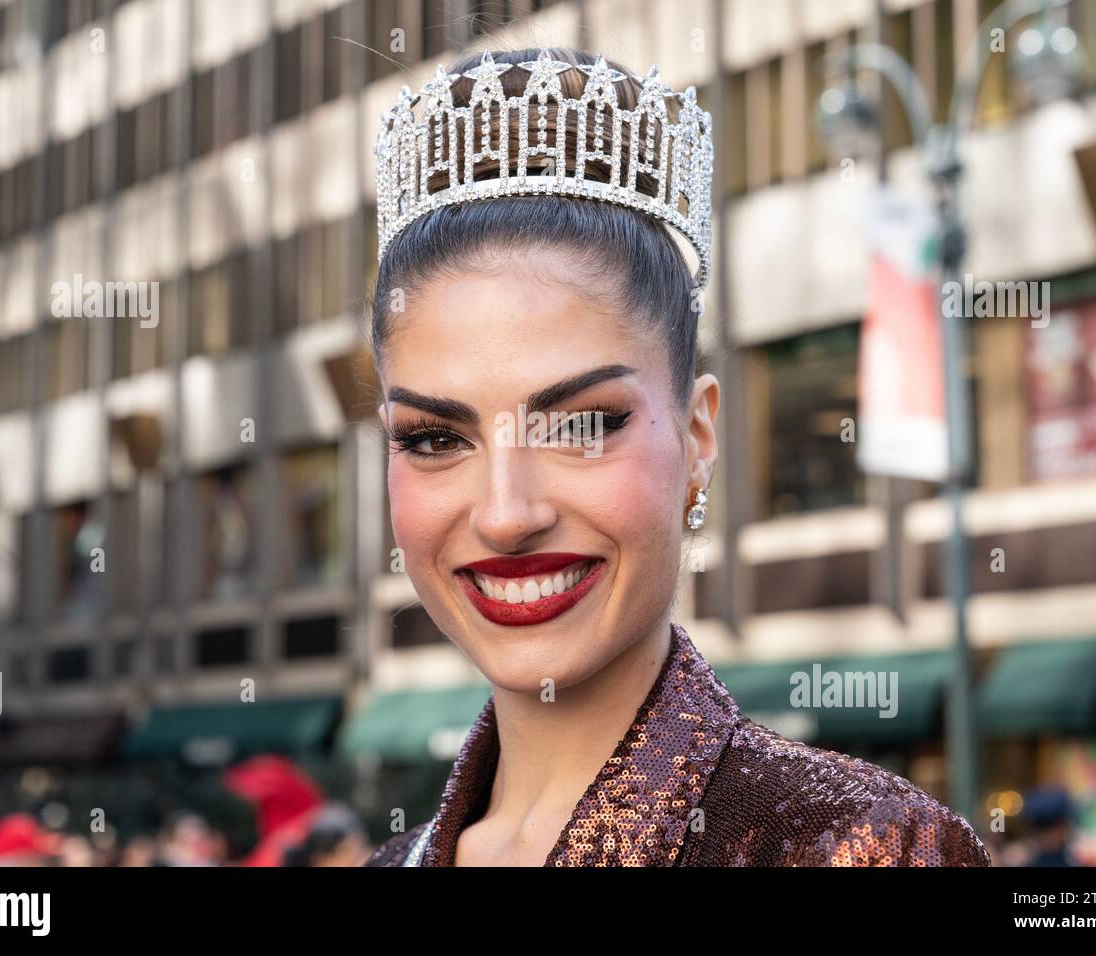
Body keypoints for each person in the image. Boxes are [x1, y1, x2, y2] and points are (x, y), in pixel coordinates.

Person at [362, 46, 989, 867]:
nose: (507, 512)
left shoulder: (864, 846)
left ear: (697, 439)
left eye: (583, 425)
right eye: (438, 439)